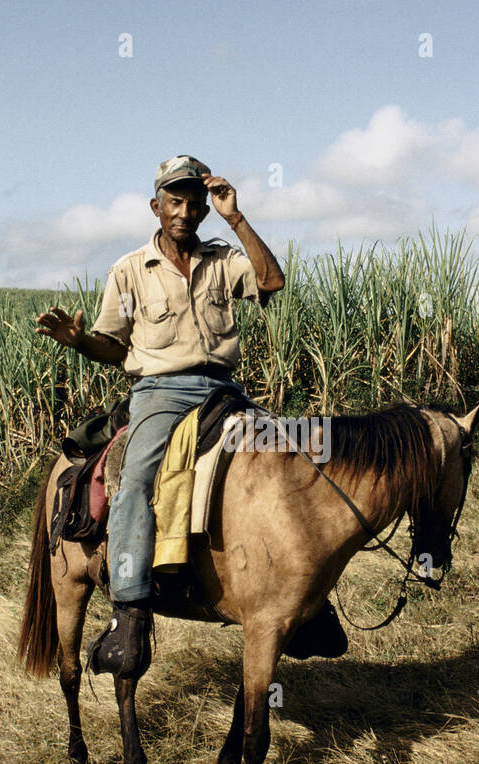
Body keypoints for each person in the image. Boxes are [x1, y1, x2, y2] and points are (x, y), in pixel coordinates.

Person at [35, 155, 285, 677]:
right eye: (175, 200)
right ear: (157, 206)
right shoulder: (129, 271)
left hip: (223, 388)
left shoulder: (223, 259)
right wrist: (80, 341)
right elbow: (110, 344)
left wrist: (236, 217)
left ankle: (302, 603)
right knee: (134, 478)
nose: (186, 210)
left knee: (285, 461)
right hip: (160, 391)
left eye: (196, 202)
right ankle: (129, 610)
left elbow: (271, 281)